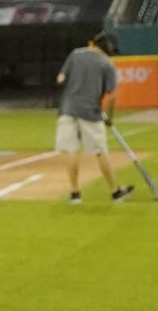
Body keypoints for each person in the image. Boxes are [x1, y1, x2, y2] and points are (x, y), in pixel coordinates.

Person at [55, 27, 128, 202]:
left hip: (67, 109)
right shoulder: (106, 64)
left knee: (72, 150)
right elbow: (111, 96)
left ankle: (74, 193)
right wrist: (110, 117)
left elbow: (60, 79)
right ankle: (115, 191)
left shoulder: (75, 54)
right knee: (100, 151)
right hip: (90, 111)